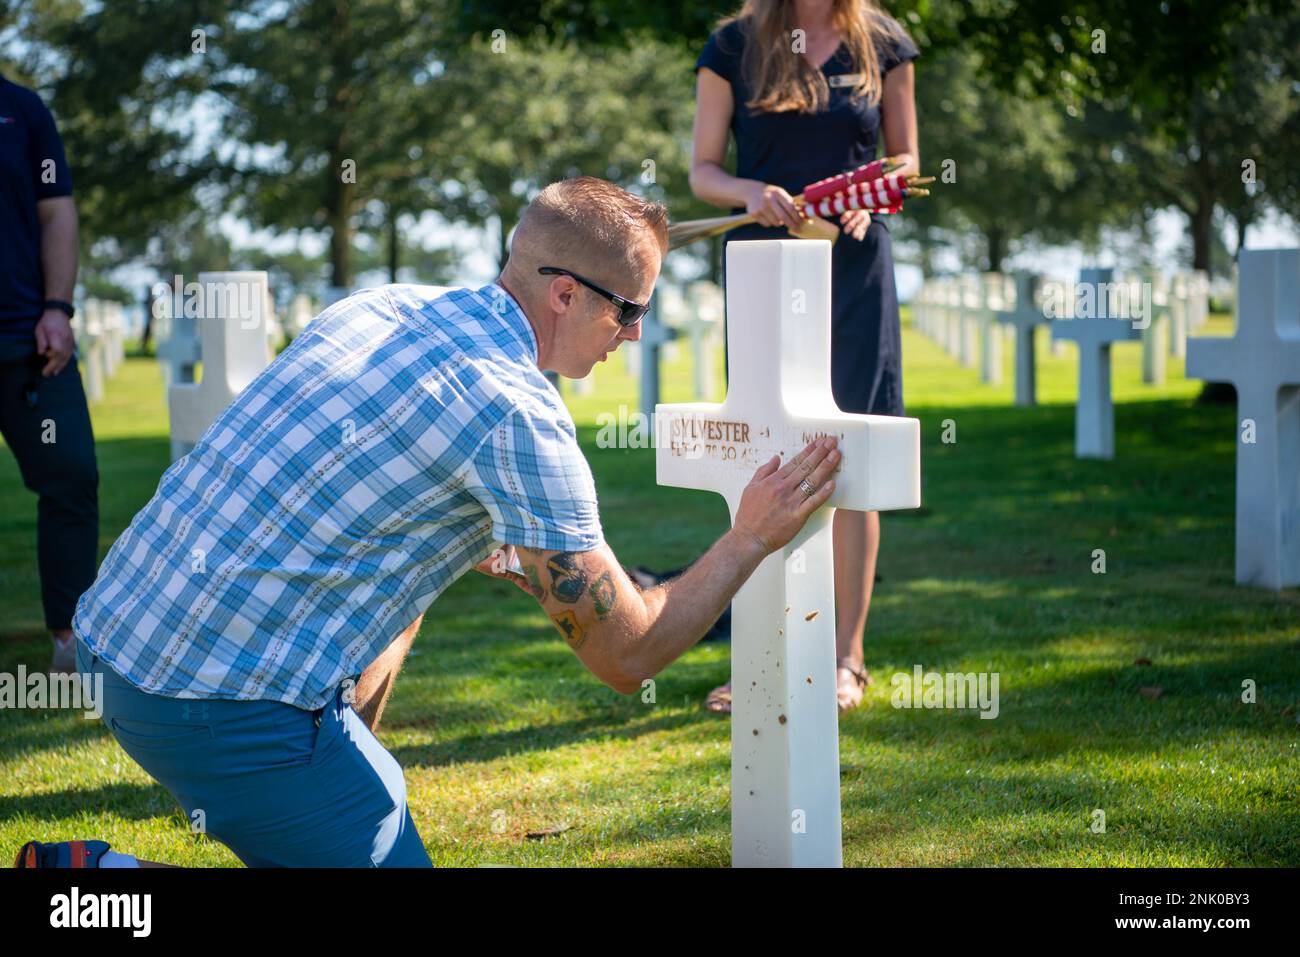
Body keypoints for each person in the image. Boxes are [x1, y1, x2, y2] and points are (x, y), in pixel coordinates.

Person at [15, 177, 842, 869]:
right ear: (565, 293)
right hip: (217, 700)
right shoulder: (519, 415)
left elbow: (359, 523)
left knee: (368, 797)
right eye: (627, 311)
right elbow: (629, 654)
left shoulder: (383, 308)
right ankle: (105, 888)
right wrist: (748, 536)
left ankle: (97, 874)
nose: (633, 333)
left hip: (113, 638)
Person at [689, 0, 919, 712]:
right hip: (765, 266)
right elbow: (703, 170)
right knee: (768, 450)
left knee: (852, 447)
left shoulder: (884, 42)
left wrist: (876, 194)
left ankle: (847, 656)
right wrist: (749, 191)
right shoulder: (731, 45)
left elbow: (908, 157)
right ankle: (759, 654)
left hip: (853, 263)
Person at [0, 69, 98, 675]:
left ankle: (69, 642)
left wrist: (57, 307)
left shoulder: (22, 110)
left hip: (29, 344)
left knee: (70, 476)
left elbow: (56, 213)